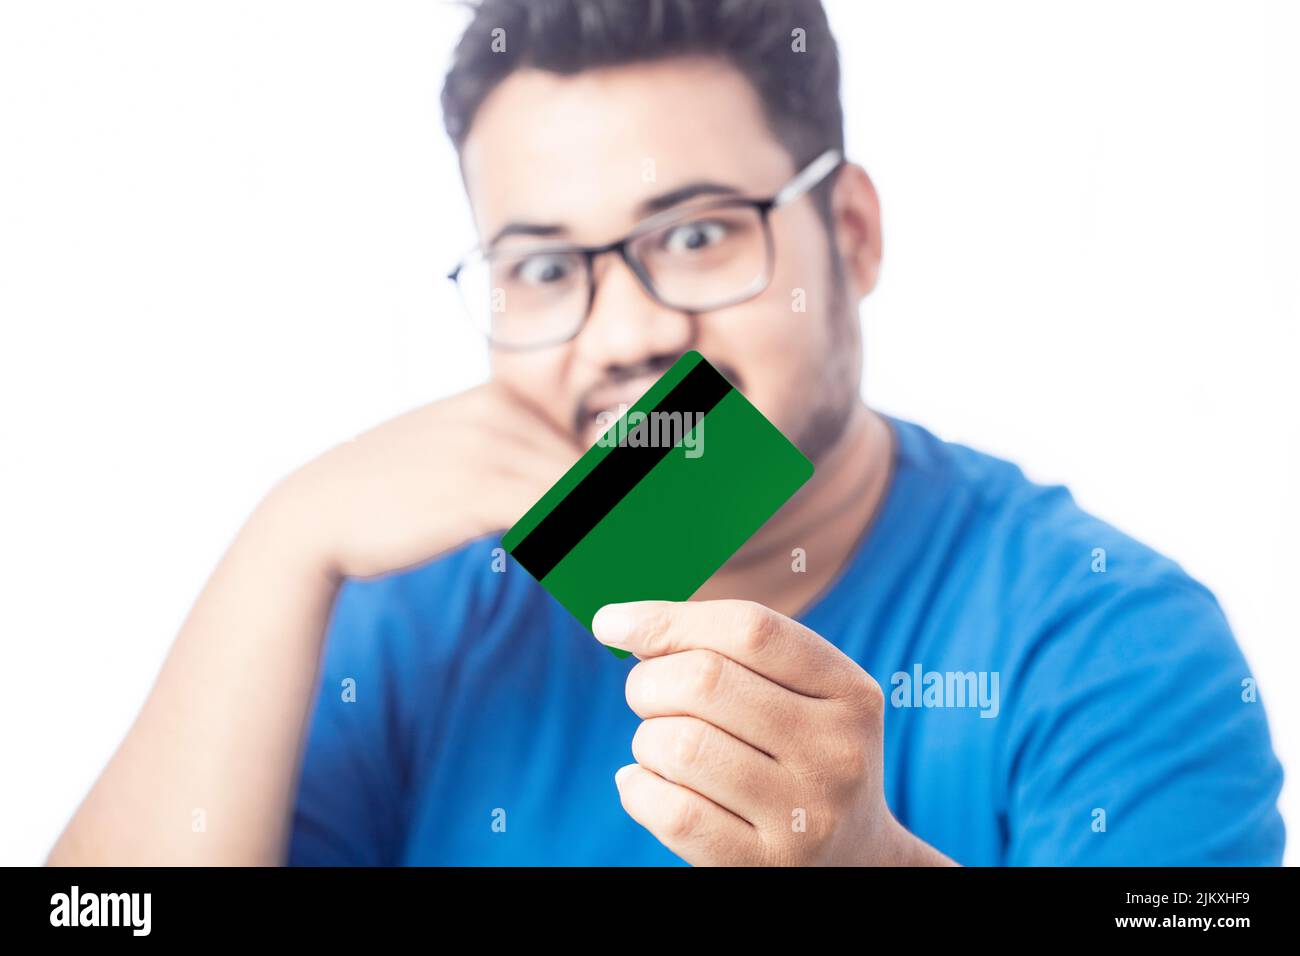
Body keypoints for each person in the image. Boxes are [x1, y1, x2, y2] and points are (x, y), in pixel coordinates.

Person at [48, 0, 1285, 866]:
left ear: (848, 235)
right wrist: (282, 541)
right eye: (542, 266)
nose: (626, 331)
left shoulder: (1113, 637)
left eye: (696, 235)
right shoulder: (413, 614)